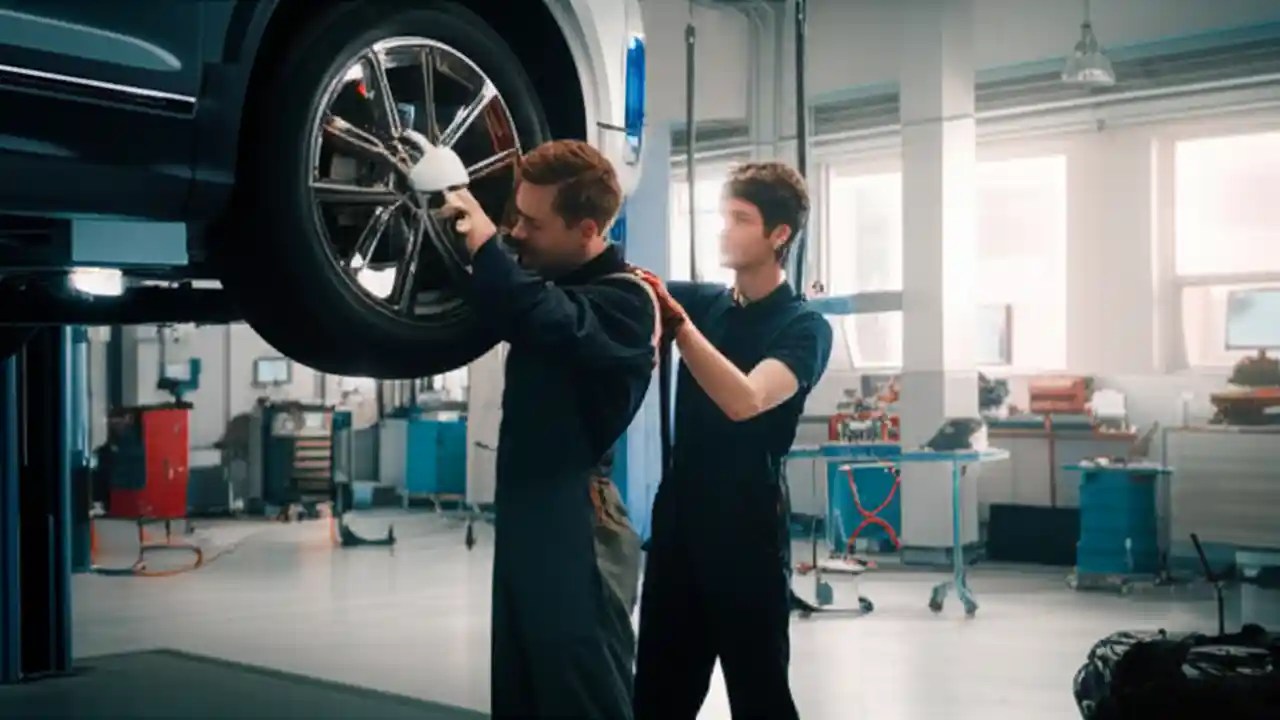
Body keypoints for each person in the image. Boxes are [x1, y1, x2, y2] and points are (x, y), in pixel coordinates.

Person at [442, 140, 659, 720]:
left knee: (582, 690)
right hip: (528, 509)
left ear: (587, 228)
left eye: (533, 224)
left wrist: (486, 245)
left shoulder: (628, 302)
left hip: (578, 521)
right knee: (523, 689)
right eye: (513, 217)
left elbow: (542, 317)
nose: (515, 233)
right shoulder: (550, 284)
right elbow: (503, 299)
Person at [632, 161, 833, 720]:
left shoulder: (803, 327)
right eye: (723, 217)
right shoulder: (704, 302)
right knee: (656, 696)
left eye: (741, 219)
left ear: (779, 235)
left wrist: (681, 328)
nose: (725, 229)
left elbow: (745, 400)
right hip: (678, 526)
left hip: (746, 533)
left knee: (759, 695)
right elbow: (617, 291)